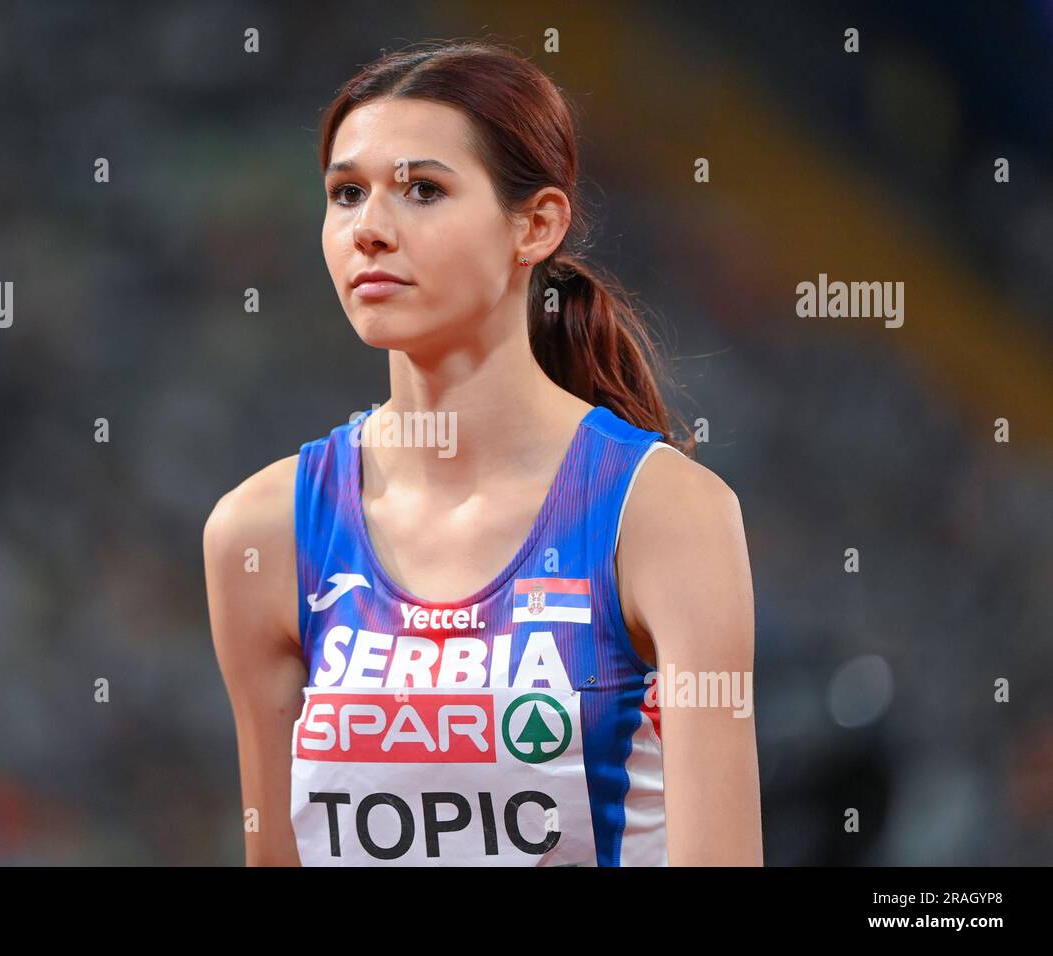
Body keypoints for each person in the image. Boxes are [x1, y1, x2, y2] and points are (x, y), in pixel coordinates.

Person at [204, 39, 761, 866]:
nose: (369, 230)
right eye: (346, 193)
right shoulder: (261, 533)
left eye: (422, 189)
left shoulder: (664, 515)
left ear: (535, 224)